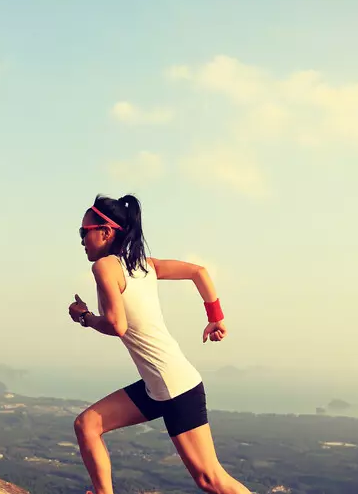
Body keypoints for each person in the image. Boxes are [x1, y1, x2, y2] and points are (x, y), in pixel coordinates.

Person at [66, 194, 252, 494]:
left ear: (106, 231)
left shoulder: (104, 268)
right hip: (159, 385)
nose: (81, 239)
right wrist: (215, 317)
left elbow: (117, 325)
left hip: (174, 386)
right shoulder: (144, 265)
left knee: (210, 479)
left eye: (84, 231)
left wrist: (85, 317)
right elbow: (199, 272)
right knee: (87, 425)